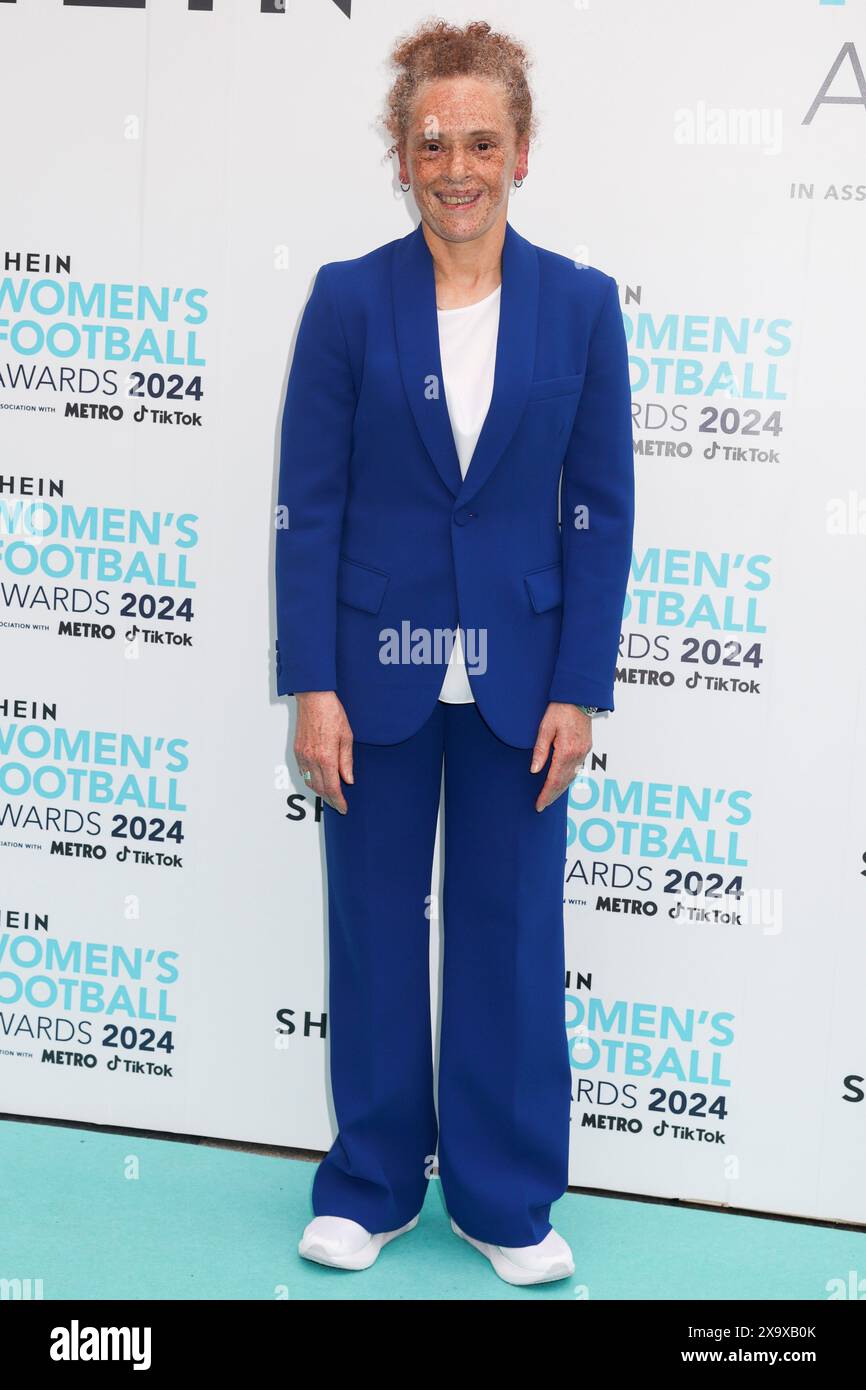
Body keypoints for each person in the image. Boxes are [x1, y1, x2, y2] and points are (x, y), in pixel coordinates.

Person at [274, 17, 634, 1287]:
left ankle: (500, 1193)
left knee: (508, 930)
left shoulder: (583, 309)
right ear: (401, 151)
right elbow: (309, 504)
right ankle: (370, 1182)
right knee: (374, 925)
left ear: (520, 152)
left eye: (481, 140)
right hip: (371, 672)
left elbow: (598, 509)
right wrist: (312, 681)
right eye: (431, 141)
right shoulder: (344, 300)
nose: (456, 165)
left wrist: (580, 687)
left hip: (521, 678)